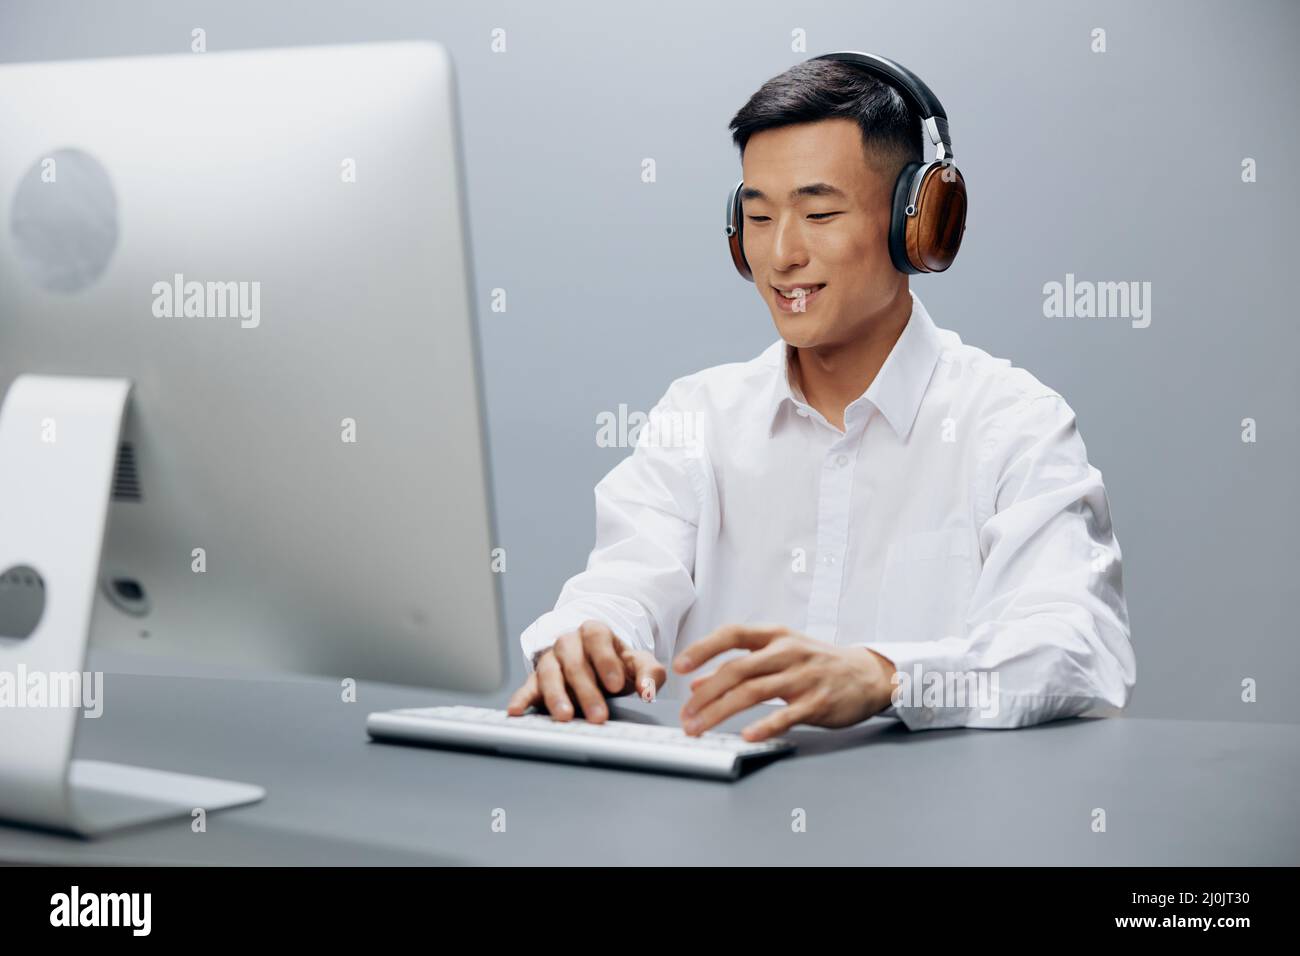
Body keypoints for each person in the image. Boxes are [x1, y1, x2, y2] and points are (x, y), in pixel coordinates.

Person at [507, 54, 1136, 740]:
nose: (781, 255)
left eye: (820, 212)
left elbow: (1076, 647)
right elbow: (624, 579)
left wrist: (885, 675)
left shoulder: (1013, 424)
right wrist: (585, 638)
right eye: (758, 216)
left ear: (918, 224)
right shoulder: (699, 417)